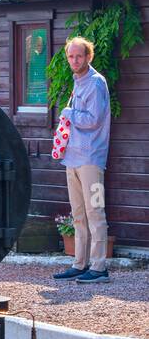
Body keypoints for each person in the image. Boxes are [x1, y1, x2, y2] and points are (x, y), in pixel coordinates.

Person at [53, 36, 112, 284]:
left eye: (79, 56)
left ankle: (99, 268)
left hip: (91, 160)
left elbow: (93, 120)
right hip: (73, 159)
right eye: (71, 56)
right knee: (78, 214)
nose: (75, 60)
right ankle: (80, 263)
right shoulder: (78, 81)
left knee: (95, 211)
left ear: (89, 57)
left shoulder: (96, 83)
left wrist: (68, 113)